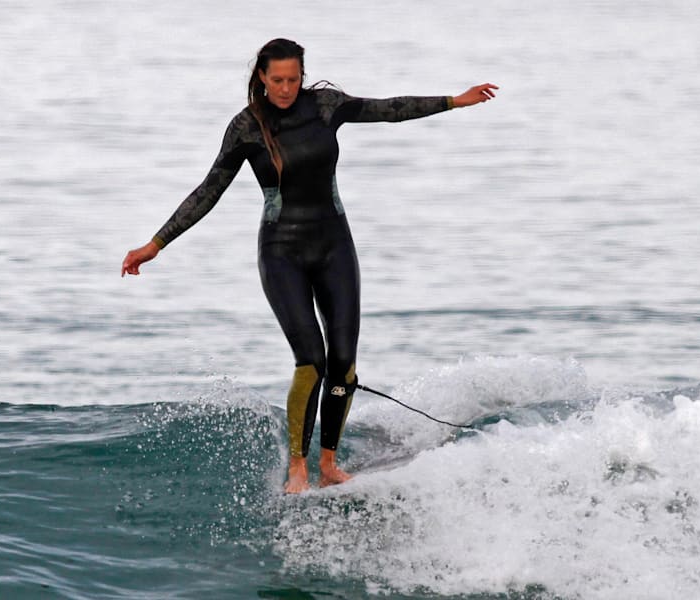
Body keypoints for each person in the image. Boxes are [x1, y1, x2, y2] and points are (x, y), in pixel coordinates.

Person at [120, 38, 497, 493]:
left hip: (334, 243)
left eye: (292, 79)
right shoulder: (246, 127)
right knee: (311, 362)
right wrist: (156, 243)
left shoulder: (324, 107)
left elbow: (389, 109)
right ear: (261, 76)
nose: (284, 88)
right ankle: (297, 467)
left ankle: (329, 463)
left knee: (343, 362)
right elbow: (208, 190)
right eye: (276, 80)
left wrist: (454, 101)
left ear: (302, 75)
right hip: (282, 252)